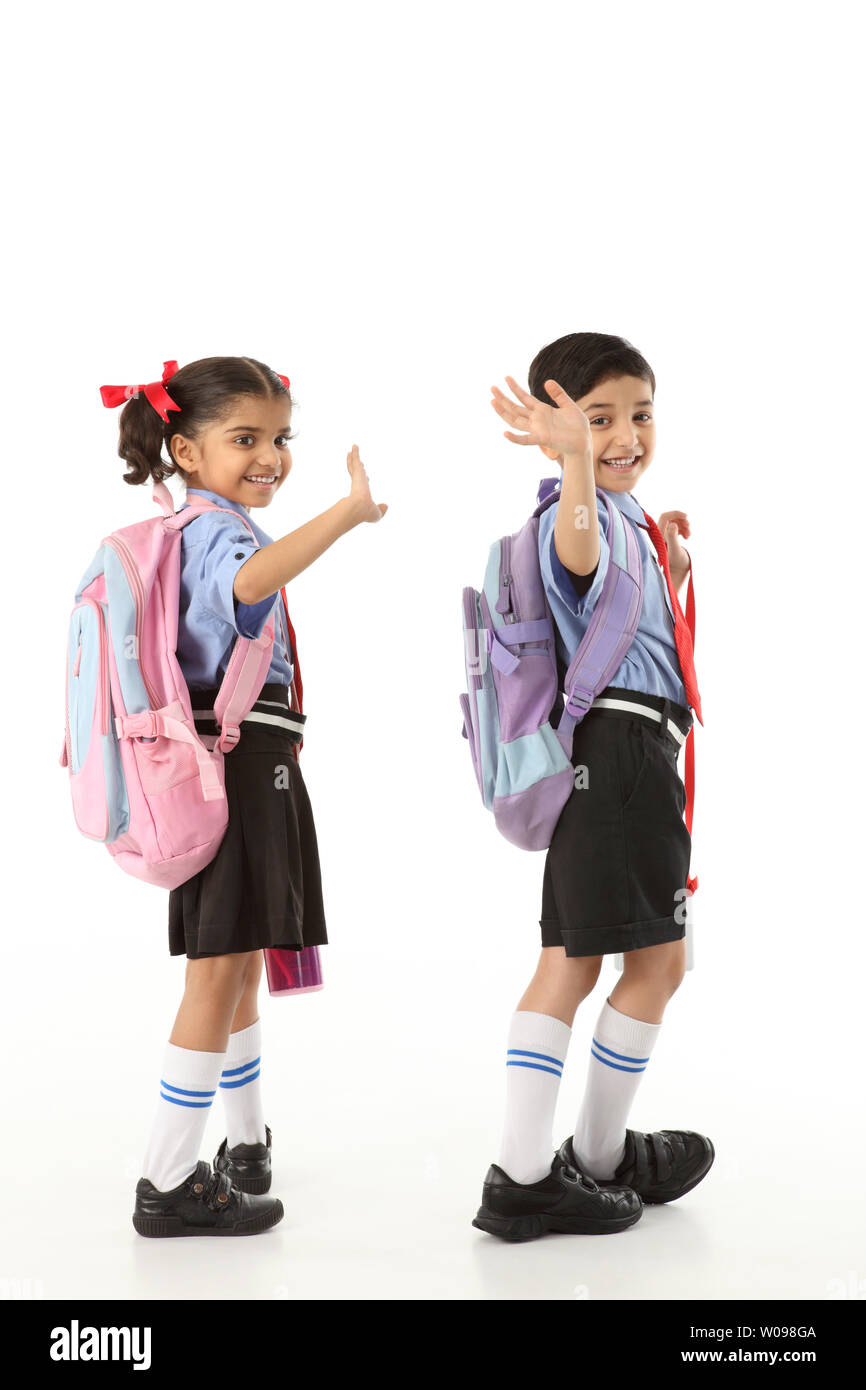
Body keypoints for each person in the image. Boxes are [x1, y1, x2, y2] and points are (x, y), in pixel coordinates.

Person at [108, 356, 387, 1237]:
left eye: (279, 438)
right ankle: (167, 1180)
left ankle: (246, 1145)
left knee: (236, 971)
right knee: (220, 968)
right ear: (185, 450)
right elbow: (247, 588)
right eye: (244, 439)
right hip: (236, 763)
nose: (269, 456)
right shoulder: (219, 532)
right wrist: (344, 516)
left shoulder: (198, 521)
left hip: (227, 762)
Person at [472, 333, 714, 1243]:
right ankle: (565, 1166)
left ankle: (552, 1165)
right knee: (639, 963)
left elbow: (605, 600)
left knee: (597, 959)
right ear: (550, 429)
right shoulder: (575, 512)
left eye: (639, 414)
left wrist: (668, 574)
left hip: (621, 757)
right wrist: (575, 464)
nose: (625, 435)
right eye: (597, 418)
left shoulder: (627, 519)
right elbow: (574, 559)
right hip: (616, 757)